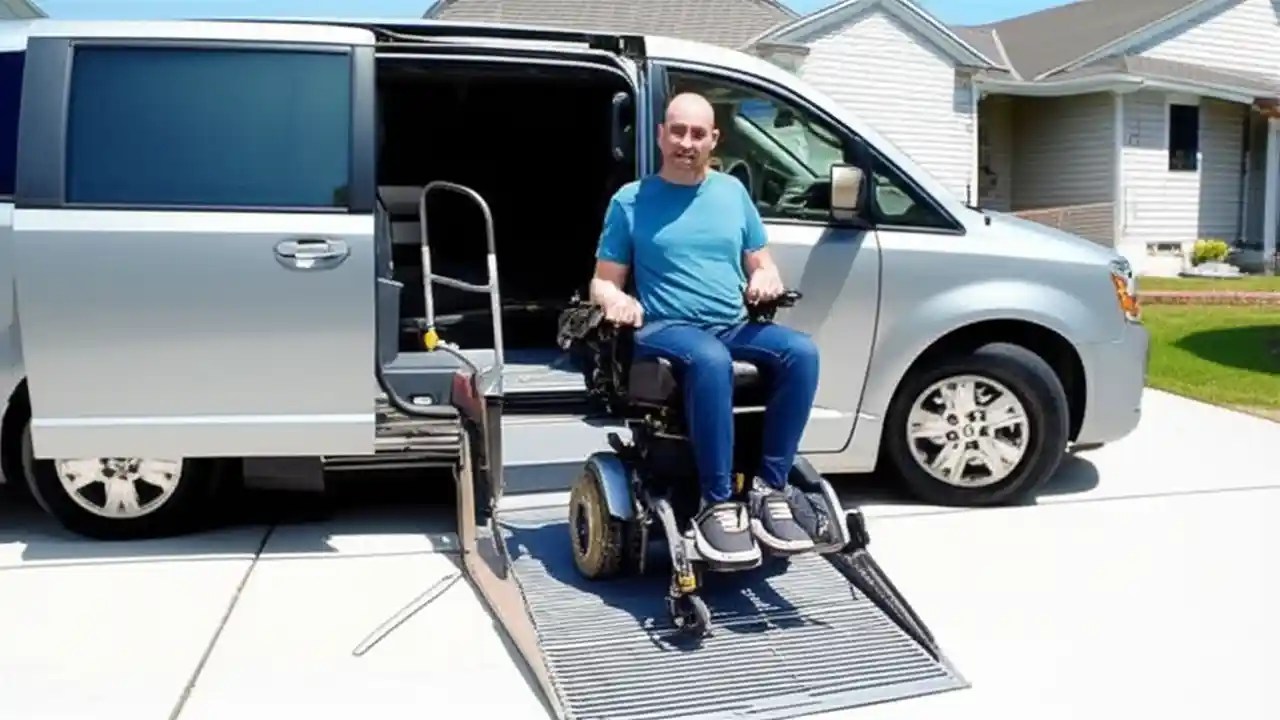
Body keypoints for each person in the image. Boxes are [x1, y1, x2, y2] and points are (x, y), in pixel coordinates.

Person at [589, 91, 823, 565]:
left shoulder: (732, 193)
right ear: (661, 135)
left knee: (801, 353)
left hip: (730, 324)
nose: (687, 142)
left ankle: (769, 489)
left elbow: (762, 262)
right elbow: (603, 280)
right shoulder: (631, 201)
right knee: (710, 360)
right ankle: (717, 503)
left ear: (713, 139)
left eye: (698, 134)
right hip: (664, 326)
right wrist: (617, 299)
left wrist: (766, 276)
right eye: (678, 131)